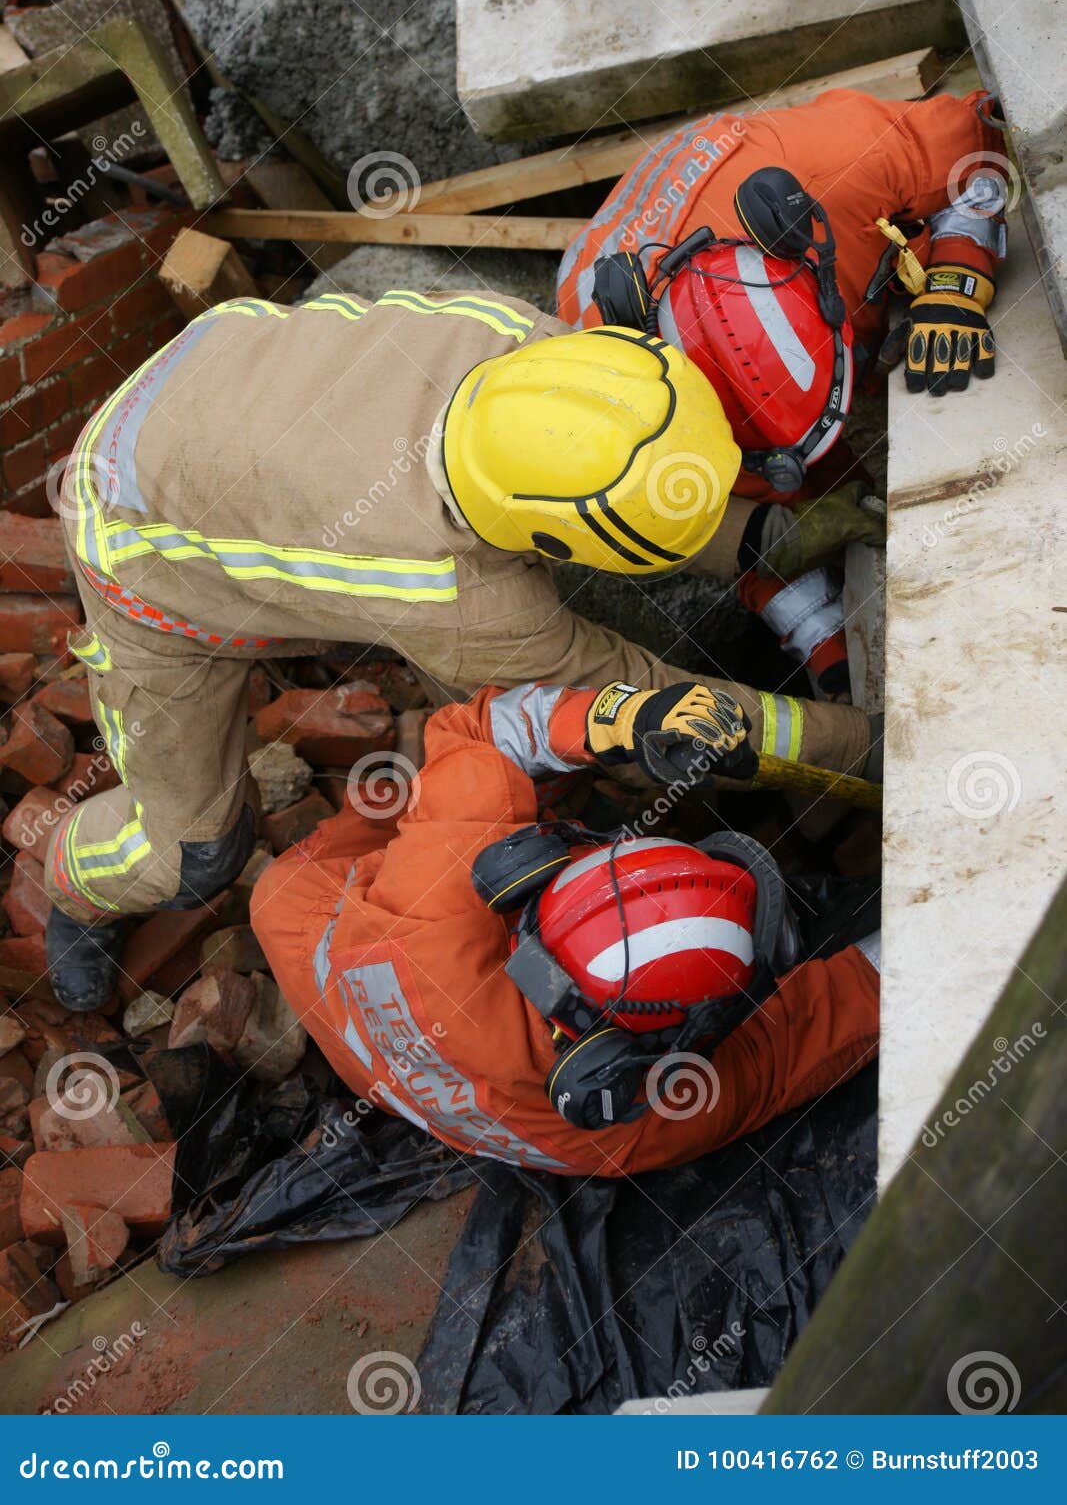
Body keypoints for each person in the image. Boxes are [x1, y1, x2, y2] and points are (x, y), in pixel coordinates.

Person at [45, 291, 877, 1011]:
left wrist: (768, 532)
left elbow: (634, 464)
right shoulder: (450, 592)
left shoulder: (537, 355)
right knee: (194, 852)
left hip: (217, 370)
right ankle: (73, 881)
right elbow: (641, 700)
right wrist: (868, 750)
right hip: (132, 536)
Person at [250, 676, 880, 1176]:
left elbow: (477, 727)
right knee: (303, 878)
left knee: (292, 883)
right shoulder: (633, 1120)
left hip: (319, 946)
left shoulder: (439, 887)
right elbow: (815, 1029)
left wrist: (623, 721)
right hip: (340, 963)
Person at [557, 87, 1006, 690]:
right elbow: (734, 536)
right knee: (776, 500)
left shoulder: (840, 162)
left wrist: (955, 283)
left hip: (763, 179)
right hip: (613, 295)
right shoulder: (631, 419)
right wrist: (824, 639)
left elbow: (985, 143)